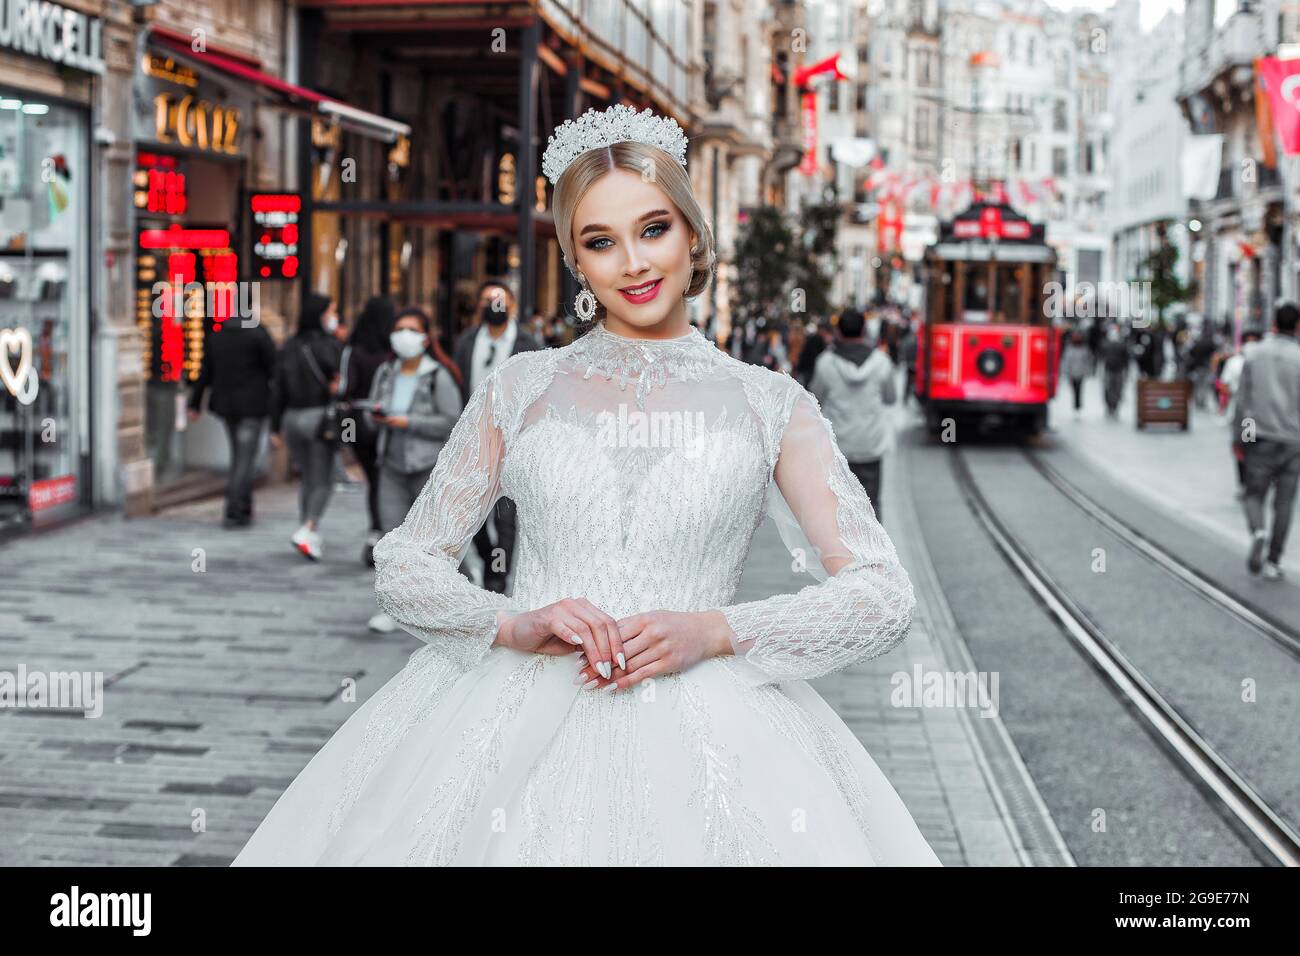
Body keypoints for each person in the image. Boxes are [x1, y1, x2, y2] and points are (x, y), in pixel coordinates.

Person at [231, 104, 938, 867]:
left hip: (713, 724)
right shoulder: (519, 389)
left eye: (653, 228)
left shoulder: (771, 403)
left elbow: (883, 595)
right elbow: (404, 562)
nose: (633, 263)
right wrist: (510, 623)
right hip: (507, 709)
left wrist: (718, 631)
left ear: (694, 234)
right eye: (601, 241)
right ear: (574, 260)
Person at [365, 306, 464, 633]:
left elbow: (452, 421)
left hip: (427, 466)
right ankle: (394, 608)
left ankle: (438, 604)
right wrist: (375, 415)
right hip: (391, 463)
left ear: (424, 338)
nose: (403, 336)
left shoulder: (438, 374)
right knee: (392, 539)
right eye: (399, 329)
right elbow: (369, 414)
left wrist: (409, 422)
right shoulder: (386, 372)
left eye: (411, 329)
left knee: (428, 543)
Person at [451, 278, 544, 592]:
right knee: (470, 509)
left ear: (512, 305)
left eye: (501, 299)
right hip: (473, 439)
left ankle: (498, 574)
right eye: (489, 299)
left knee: (505, 515)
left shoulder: (528, 343)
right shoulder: (465, 342)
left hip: (513, 440)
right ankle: (489, 557)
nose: (495, 306)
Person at [270, 293, 344, 561]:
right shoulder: (329, 346)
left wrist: (275, 427)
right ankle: (309, 527)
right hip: (318, 417)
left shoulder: (289, 346)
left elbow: (277, 389)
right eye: (331, 312)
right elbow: (341, 384)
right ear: (321, 315)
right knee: (323, 479)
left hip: (291, 419)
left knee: (307, 478)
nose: (334, 317)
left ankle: (307, 531)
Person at [187, 315, 277, 527]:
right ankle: (234, 509)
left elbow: (204, 372)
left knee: (239, 456)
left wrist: (195, 403)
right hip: (252, 406)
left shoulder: (217, 336)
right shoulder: (258, 334)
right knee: (245, 460)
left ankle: (244, 507)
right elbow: (275, 368)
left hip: (227, 406)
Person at [810, 308, 897, 520]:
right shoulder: (881, 362)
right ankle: (873, 550)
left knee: (838, 507)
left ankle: (842, 550)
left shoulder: (826, 363)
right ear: (864, 330)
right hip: (870, 445)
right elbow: (891, 398)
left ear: (838, 332)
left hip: (838, 447)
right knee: (871, 504)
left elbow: (814, 400)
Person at [1234, 303, 1300, 580]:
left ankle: (1258, 531)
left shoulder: (1254, 353)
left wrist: (1241, 437)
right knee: (1284, 501)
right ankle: (1273, 561)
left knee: (1253, 493)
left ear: (1273, 322)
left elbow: (1243, 401)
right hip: (1293, 439)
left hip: (1259, 435)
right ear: (1296, 326)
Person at [344, 297, 397, 566]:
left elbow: (347, 388)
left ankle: (376, 532)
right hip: (387, 422)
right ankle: (381, 533)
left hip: (358, 424)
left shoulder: (355, 350)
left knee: (374, 480)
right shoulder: (394, 352)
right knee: (384, 480)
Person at [1098, 323, 1130, 418]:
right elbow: (1101, 356)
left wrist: (1126, 370)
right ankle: (1109, 406)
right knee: (1108, 388)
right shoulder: (1105, 343)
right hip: (1108, 369)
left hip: (1119, 370)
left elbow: (1126, 358)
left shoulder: (1122, 344)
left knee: (1117, 388)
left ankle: (1115, 406)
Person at [1060, 328, 1093, 420]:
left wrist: (1087, 371)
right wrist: (1065, 372)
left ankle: (1077, 406)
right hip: (1072, 373)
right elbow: (1066, 361)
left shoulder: (1084, 349)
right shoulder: (1069, 349)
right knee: (1074, 390)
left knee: (1079, 390)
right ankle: (1076, 405)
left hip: (1080, 373)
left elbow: (1088, 361)